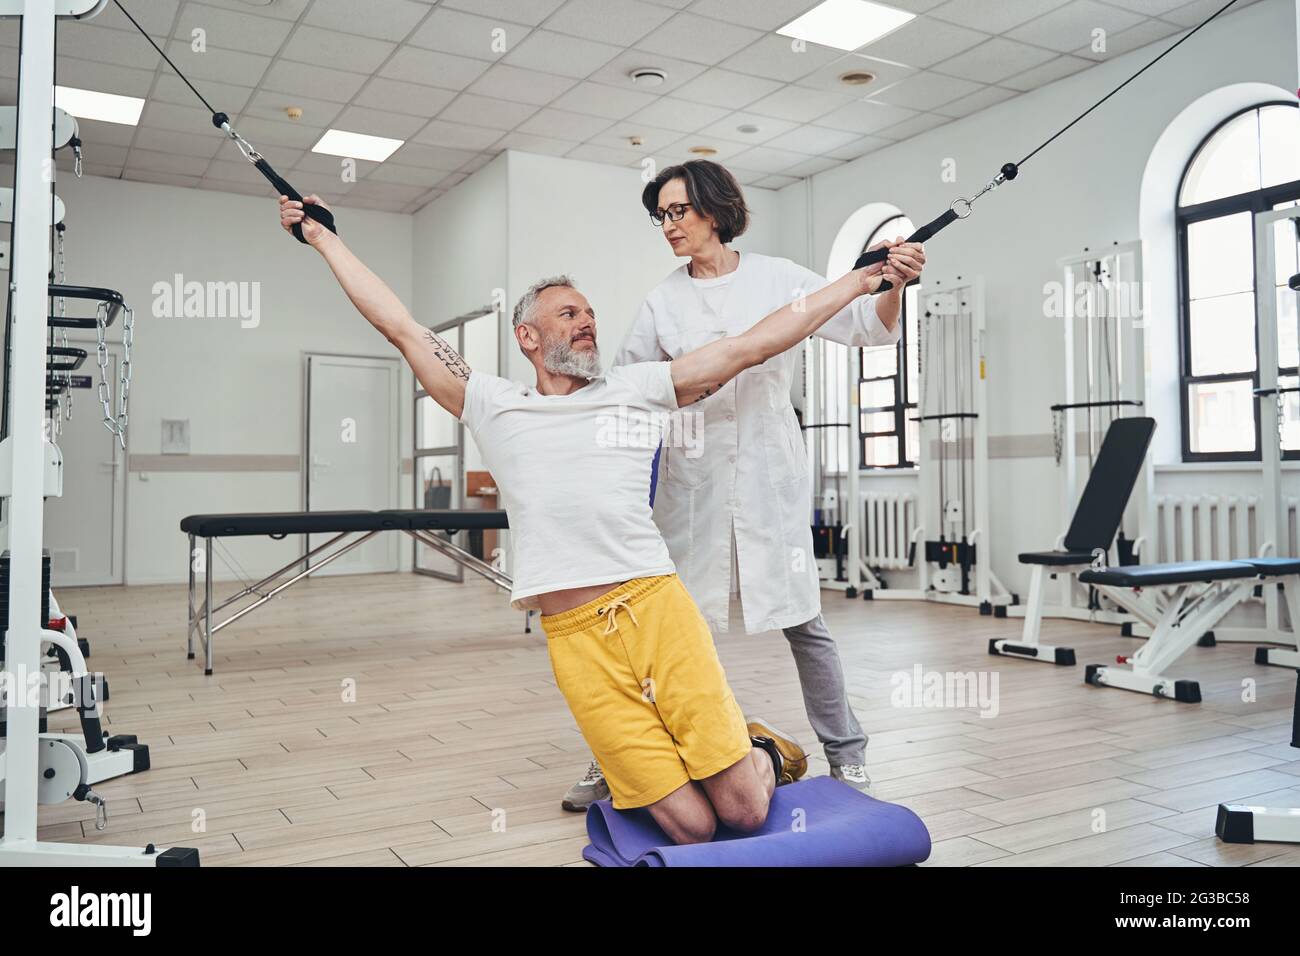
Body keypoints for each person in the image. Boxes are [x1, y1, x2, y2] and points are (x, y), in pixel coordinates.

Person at [277, 192, 894, 844]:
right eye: (568, 313)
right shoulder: (492, 404)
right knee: (688, 827)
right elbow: (399, 325)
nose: (587, 322)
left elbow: (750, 345)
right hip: (575, 637)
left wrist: (857, 280)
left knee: (740, 811)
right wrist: (323, 238)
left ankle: (764, 752)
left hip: (657, 609)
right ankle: (727, 748)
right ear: (527, 336)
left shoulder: (637, 389)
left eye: (592, 313)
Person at [563, 161, 925, 812]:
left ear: (714, 210)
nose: (668, 227)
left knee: (806, 625)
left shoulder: (781, 278)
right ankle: (614, 763)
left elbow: (865, 327)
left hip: (768, 476)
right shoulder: (662, 301)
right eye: (661, 216)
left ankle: (849, 759)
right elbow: (631, 393)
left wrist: (892, 284)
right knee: (662, 634)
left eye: (678, 212)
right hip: (691, 483)